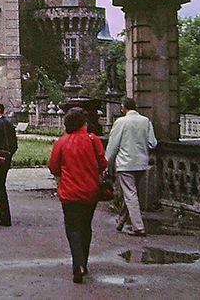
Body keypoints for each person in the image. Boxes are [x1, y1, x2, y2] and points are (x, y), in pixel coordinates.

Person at [48, 107, 107, 284]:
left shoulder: (62, 142)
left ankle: (78, 265)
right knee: (86, 226)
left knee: (72, 228)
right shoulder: (93, 140)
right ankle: (84, 262)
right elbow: (103, 163)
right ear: (83, 123)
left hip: (69, 191)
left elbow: (53, 167)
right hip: (90, 191)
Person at [105, 97, 157, 237]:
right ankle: (121, 221)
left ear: (123, 107)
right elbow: (153, 143)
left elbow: (113, 145)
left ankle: (138, 227)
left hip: (125, 164)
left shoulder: (121, 122)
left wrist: (105, 164)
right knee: (131, 194)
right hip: (141, 163)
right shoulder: (145, 121)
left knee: (130, 195)